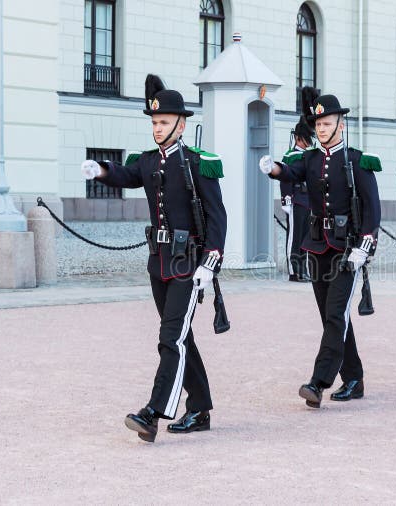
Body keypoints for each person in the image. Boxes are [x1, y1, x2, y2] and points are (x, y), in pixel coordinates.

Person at [80, 74, 227, 442]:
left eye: (163, 122)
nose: (157, 128)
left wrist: (211, 261)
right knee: (179, 337)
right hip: (159, 261)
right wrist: (101, 169)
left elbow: (217, 215)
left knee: (170, 339)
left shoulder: (198, 163)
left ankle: (153, 412)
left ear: (181, 124)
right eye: (153, 122)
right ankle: (200, 407)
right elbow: (126, 174)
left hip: (188, 264)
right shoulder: (148, 162)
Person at [258, 93, 381, 408]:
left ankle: (319, 381)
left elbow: (373, 209)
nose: (322, 129)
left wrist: (364, 246)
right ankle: (354, 378)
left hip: (347, 248)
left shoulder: (357, 160)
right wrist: (274, 168)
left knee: (335, 314)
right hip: (317, 246)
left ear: (341, 124)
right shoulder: (310, 159)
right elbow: (290, 173)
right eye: (319, 124)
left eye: (328, 123)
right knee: (332, 317)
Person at [280, 106, 315, 282]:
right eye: (305, 139)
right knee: (294, 238)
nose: (308, 143)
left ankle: (303, 269)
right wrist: (286, 200)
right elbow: (285, 179)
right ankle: (294, 271)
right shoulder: (291, 156)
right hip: (296, 200)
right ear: (297, 138)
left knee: (306, 238)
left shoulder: (310, 155)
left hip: (308, 201)